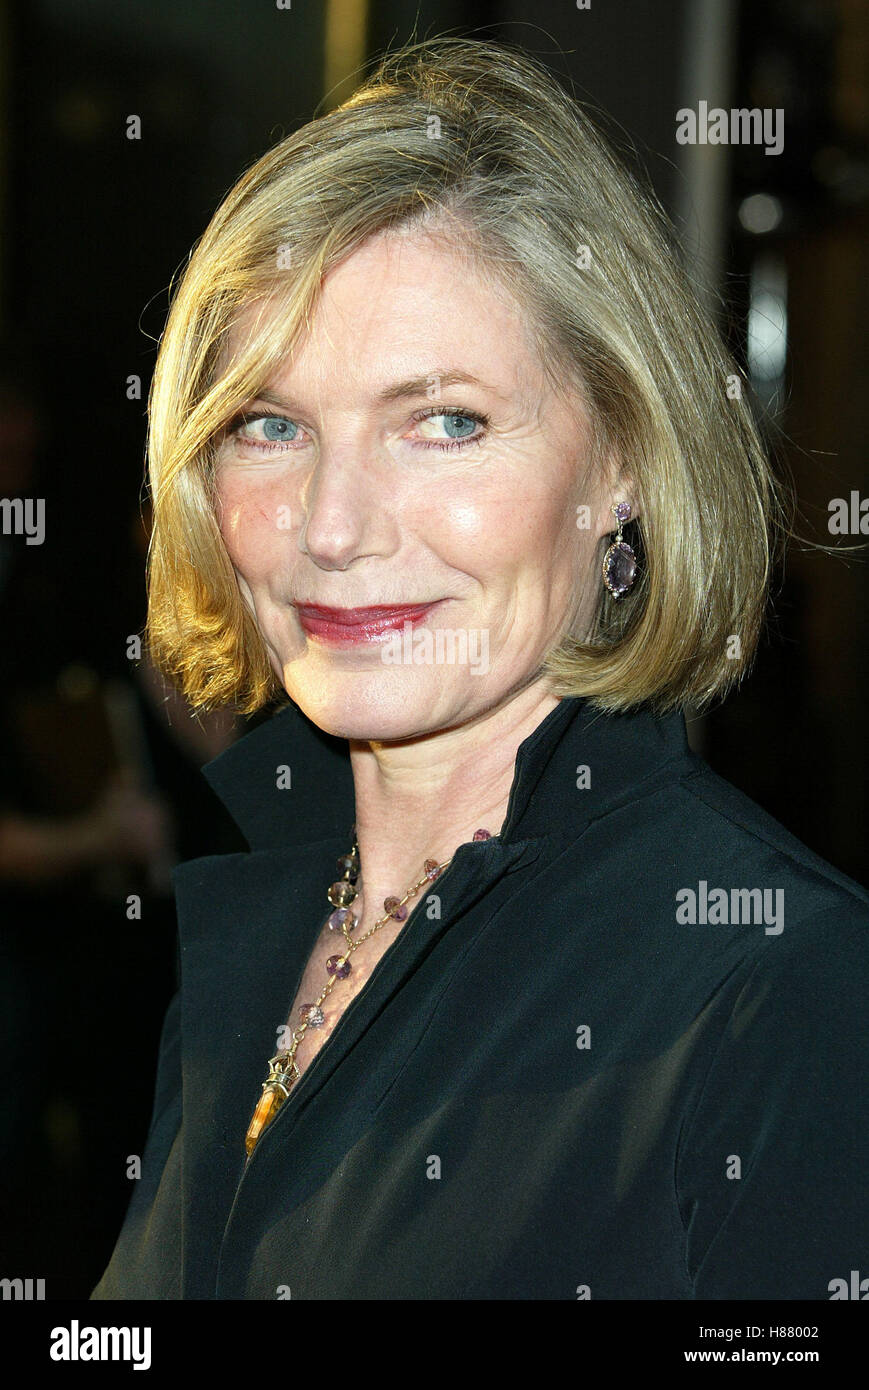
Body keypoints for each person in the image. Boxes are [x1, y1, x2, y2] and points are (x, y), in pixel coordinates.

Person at [91, 36, 868, 1301]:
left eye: (443, 421)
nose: (333, 524)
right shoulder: (265, 923)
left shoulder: (776, 991)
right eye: (268, 425)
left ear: (622, 456)